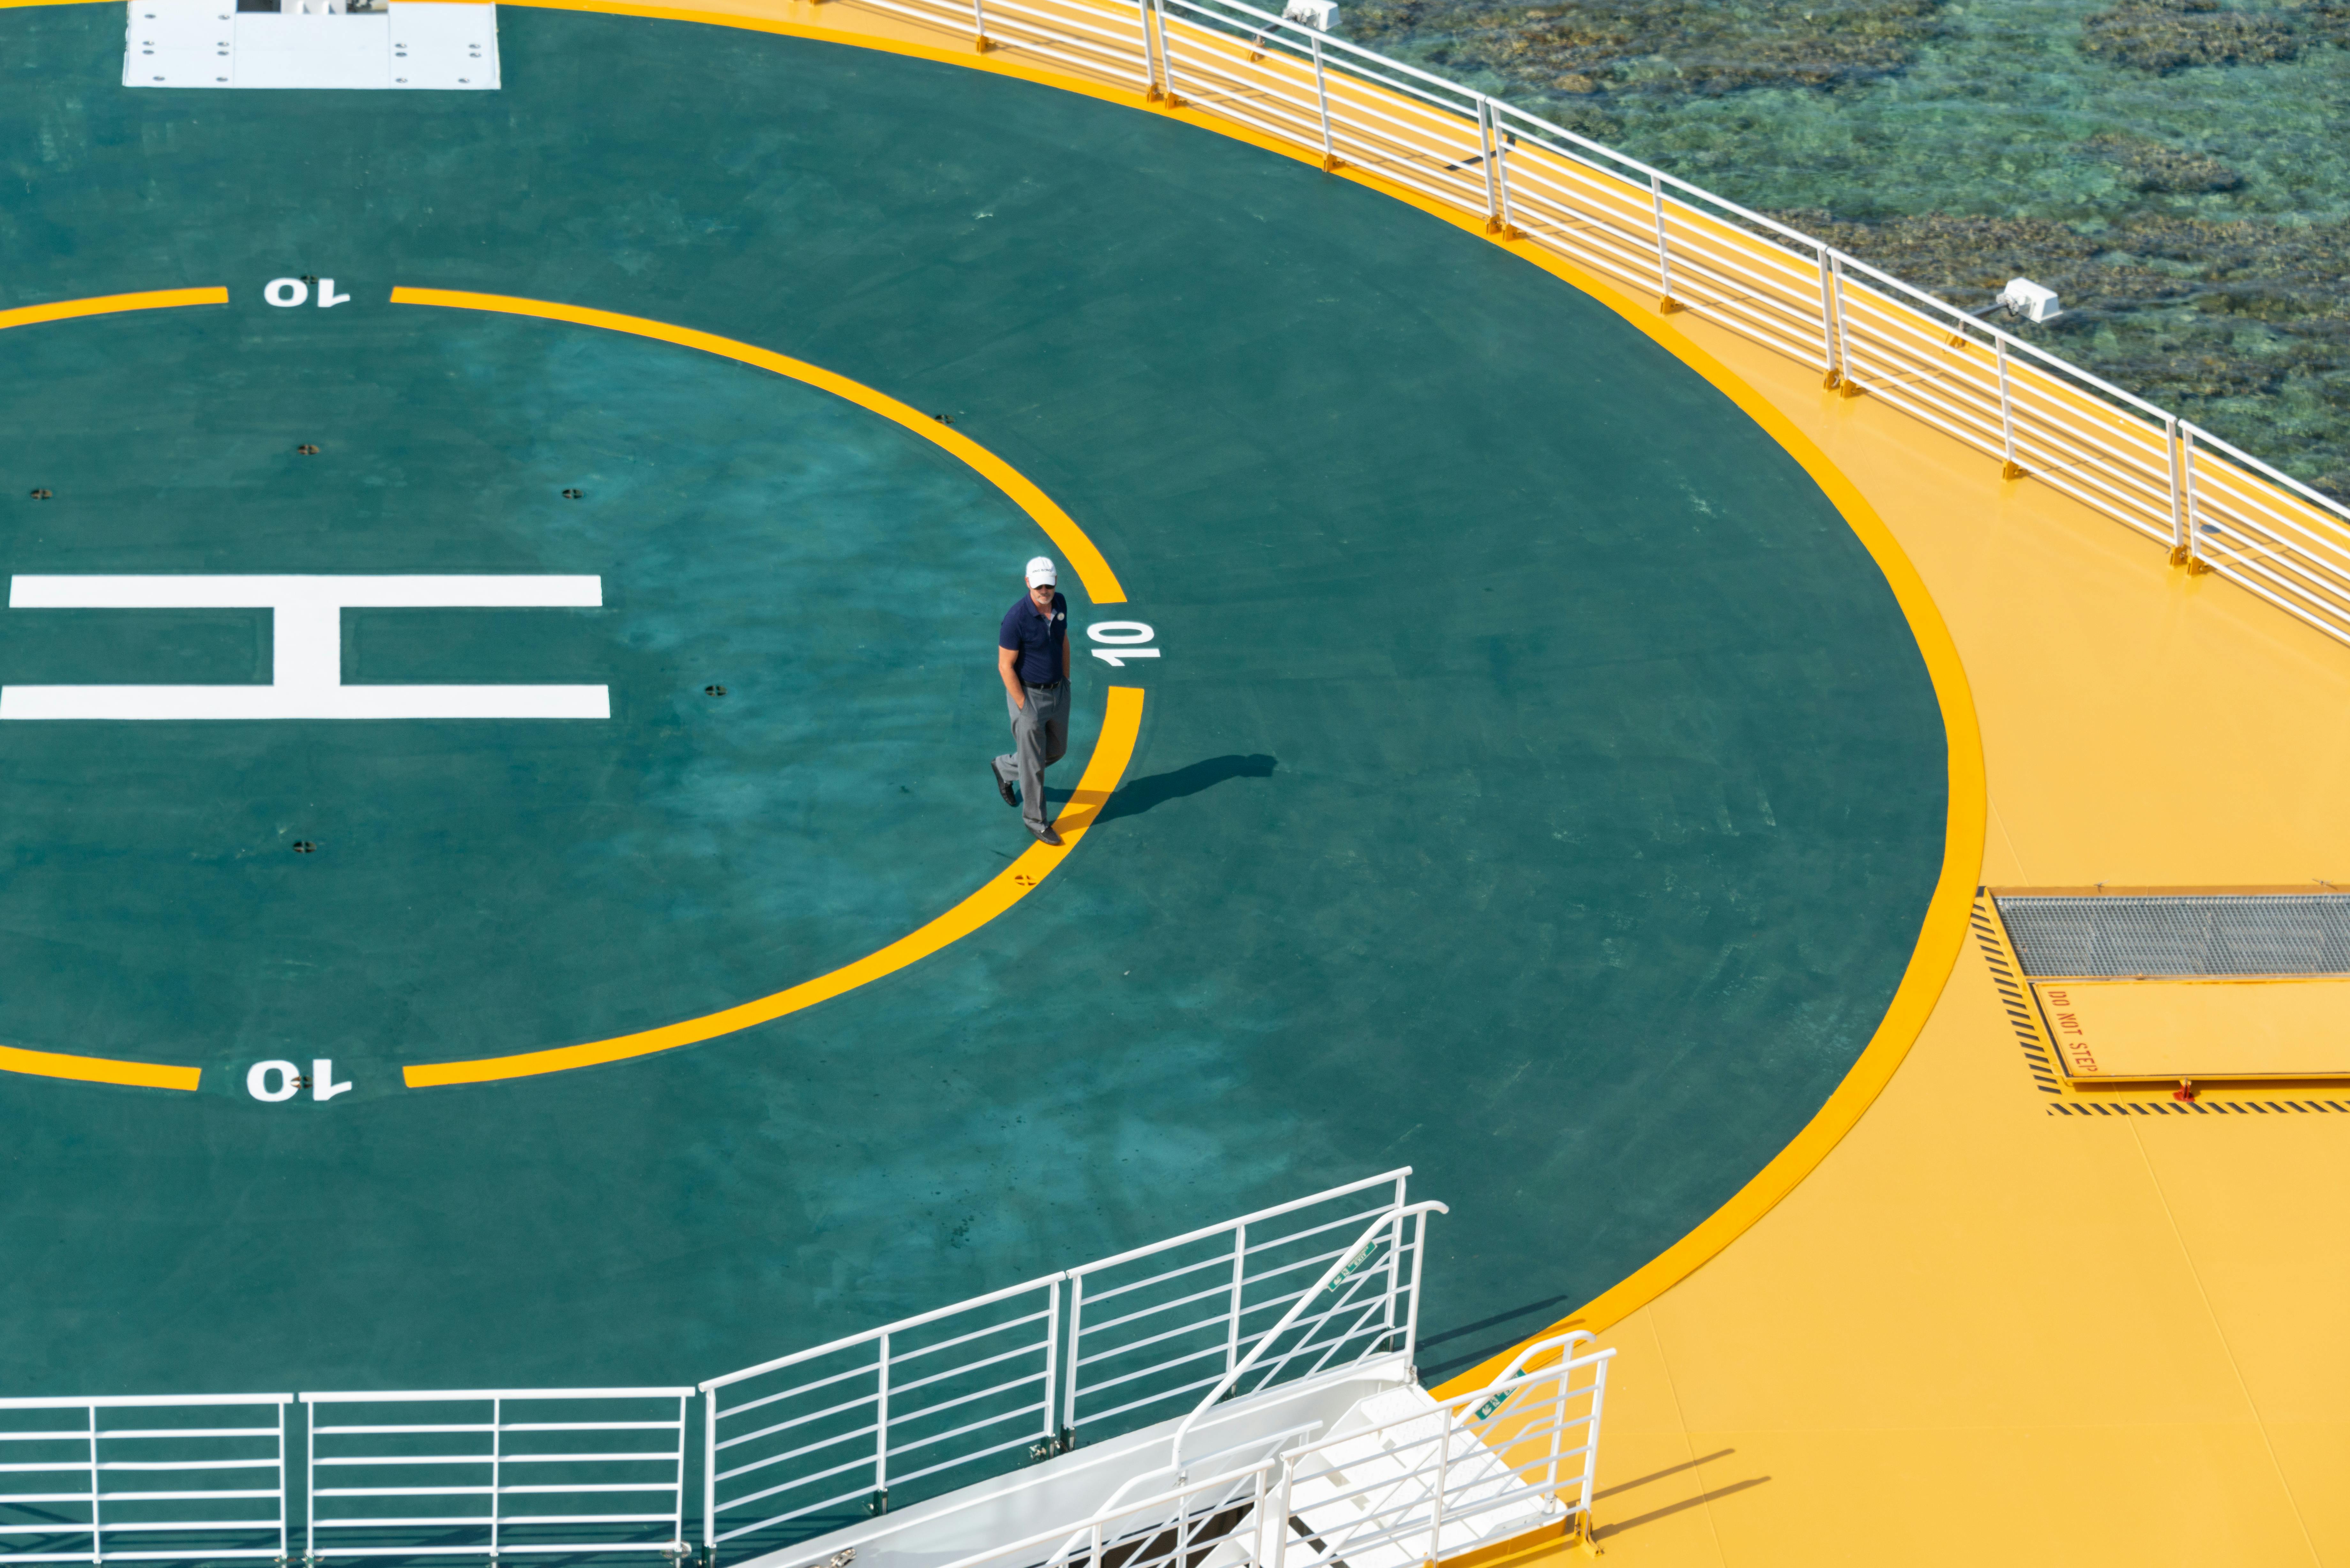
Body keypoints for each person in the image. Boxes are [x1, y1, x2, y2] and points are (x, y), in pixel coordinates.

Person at [992, 557, 1072, 844]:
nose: (1044, 591)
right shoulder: (1016, 619)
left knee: (1057, 750)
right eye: (1038, 585)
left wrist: (1066, 680)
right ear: (1028, 583)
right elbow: (1005, 666)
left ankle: (1005, 767)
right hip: (1029, 696)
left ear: (1055, 583)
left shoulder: (1060, 604)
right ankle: (1036, 821)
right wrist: (1025, 707)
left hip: (1058, 691)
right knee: (1034, 764)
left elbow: (1063, 640)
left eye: (1048, 585)